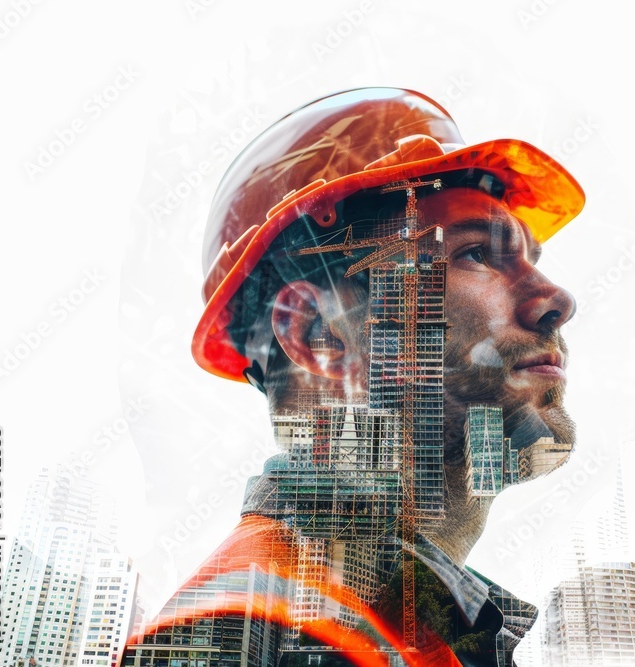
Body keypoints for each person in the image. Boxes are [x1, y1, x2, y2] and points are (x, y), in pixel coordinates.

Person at [122, 87, 585, 667]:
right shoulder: (253, 637)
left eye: (529, 258)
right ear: (317, 333)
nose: (556, 299)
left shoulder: (416, 631)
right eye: (475, 255)